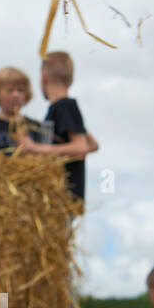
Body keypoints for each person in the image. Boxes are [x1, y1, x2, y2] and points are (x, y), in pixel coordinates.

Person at [16, 51, 99, 200]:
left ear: (43, 77)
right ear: (70, 80)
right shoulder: (61, 108)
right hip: (59, 198)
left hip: (64, 196)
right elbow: (92, 145)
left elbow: (81, 148)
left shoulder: (65, 106)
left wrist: (35, 149)